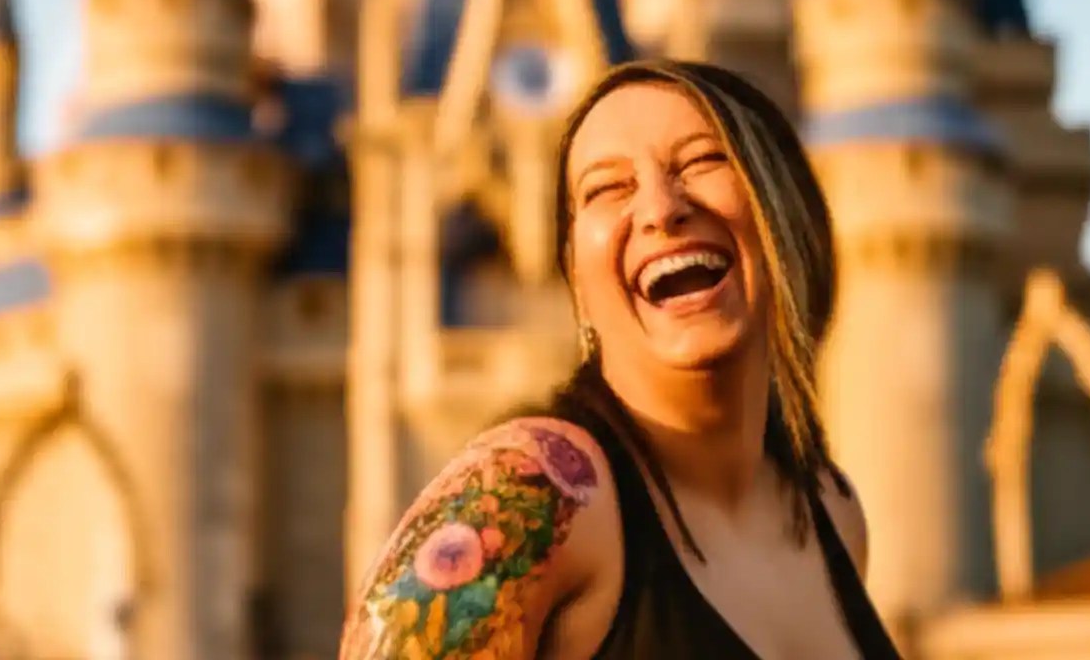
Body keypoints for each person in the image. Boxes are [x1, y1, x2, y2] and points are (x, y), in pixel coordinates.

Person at [339, 60, 902, 659]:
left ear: (785, 216)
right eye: (607, 188)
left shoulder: (830, 513)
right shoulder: (534, 491)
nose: (661, 208)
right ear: (578, 276)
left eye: (703, 161)